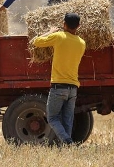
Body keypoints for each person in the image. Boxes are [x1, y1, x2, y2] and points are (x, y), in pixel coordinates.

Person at [33, 13, 86, 145]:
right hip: (73, 88)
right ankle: (67, 146)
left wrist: (49, 32)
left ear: (64, 24)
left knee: (52, 118)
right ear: (78, 26)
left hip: (58, 87)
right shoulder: (82, 43)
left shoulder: (59, 37)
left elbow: (36, 42)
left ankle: (67, 141)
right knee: (68, 119)